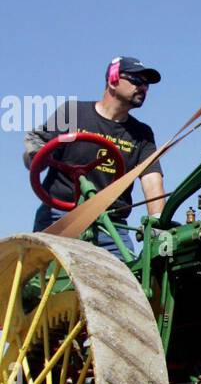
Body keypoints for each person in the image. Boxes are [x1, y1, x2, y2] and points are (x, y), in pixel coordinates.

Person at [23, 56, 166, 253]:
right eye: (136, 81)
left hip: (111, 224)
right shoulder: (73, 113)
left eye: (147, 84)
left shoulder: (142, 134)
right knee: (39, 275)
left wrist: (158, 224)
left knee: (129, 278)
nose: (143, 88)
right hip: (61, 217)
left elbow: (152, 180)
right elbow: (37, 144)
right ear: (113, 80)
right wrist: (35, 157)